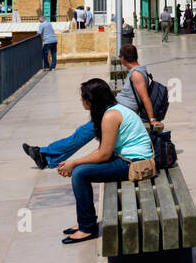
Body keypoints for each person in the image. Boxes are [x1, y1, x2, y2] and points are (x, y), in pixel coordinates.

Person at [23, 44, 163, 169]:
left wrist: (152, 119)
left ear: (124, 58)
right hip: (112, 112)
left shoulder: (137, 74)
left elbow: (145, 98)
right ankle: (47, 159)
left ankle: (42, 152)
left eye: (120, 57)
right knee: (80, 135)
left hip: (115, 117)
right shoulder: (138, 71)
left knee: (80, 136)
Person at [56, 78, 154, 245]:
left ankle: (87, 228)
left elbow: (104, 155)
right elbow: (103, 150)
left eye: (83, 96)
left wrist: (75, 164)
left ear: (92, 100)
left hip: (135, 163)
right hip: (127, 158)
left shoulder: (110, 116)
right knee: (81, 169)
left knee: (80, 174)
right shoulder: (110, 111)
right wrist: (74, 162)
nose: (81, 100)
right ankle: (84, 221)